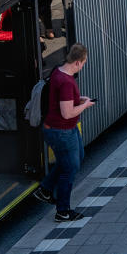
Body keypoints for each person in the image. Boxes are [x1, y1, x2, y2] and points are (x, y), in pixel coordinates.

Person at [33, 42, 94, 221]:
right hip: (61, 130)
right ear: (77, 62)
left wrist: (79, 99)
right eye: (83, 63)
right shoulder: (66, 82)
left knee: (77, 157)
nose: (83, 66)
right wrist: (85, 105)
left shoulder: (58, 71)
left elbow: (63, 101)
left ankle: (45, 189)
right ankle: (63, 211)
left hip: (66, 128)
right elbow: (67, 113)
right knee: (70, 168)